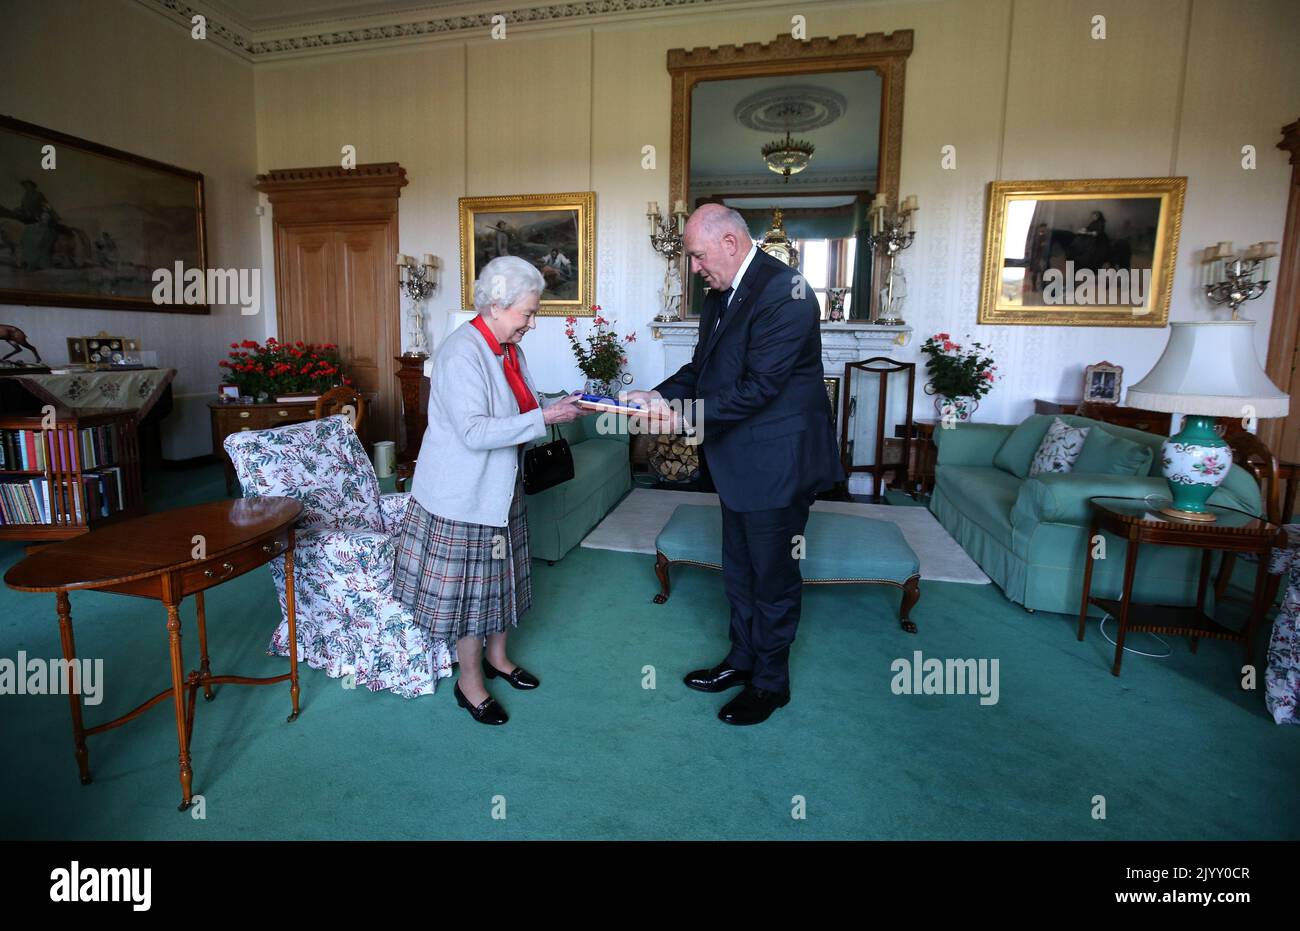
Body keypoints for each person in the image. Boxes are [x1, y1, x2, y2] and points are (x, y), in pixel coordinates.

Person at [625, 204, 844, 725]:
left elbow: (759, 389)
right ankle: (741, 660)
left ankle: (771, 684)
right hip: (738, 462)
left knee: (773, 578)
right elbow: (702, 369)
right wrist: (653, 394)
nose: (695, 267)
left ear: (730, 243)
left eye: (698, 255)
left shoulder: (787, 292)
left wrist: (674, 414)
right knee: (740, 572)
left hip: (778, 463)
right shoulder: (720, 293)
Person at [391, 255, 590, 726]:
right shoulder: (462, 353)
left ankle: (499, 660)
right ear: (496, 306)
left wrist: (554, 406)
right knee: (473, 596)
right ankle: (470, 682)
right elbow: (475, 432)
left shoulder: (509, 349)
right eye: (527, 313)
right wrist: (545, 418)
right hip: (464, 496)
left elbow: (517, 407)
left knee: (503, 583)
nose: (533, 323)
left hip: (501, 487)